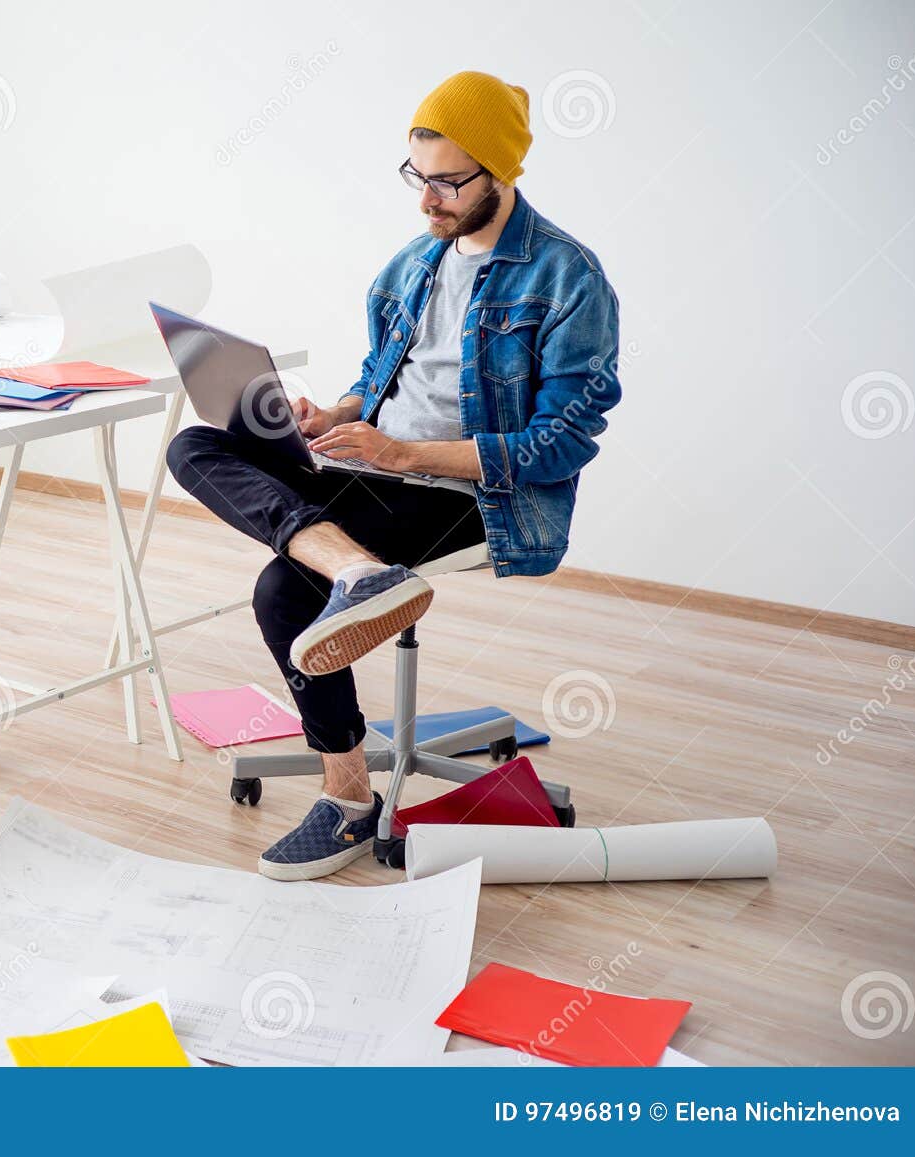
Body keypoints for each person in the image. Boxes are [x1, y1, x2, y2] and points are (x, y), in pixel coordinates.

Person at [166, 70, 622, 881]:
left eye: (448, 182)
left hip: (474, 495)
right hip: (376, 467)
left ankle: (347, 795)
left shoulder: (568, 279)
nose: (427, 201)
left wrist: (402, 455)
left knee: (280, 590)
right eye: (419, 176)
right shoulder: (412, 264)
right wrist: (334, 417)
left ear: (503, 170)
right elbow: (383, 378)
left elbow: (562, 441)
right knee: (196, 446)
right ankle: (359, 571)